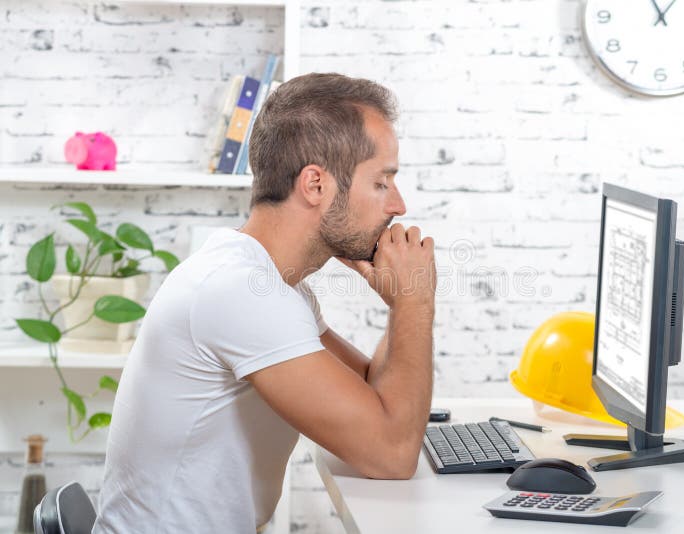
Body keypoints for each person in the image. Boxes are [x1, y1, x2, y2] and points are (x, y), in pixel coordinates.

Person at [93, 73, 436, 533]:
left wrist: (401, 304)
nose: (398, 204)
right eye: (382, 182)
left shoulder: (274, 285)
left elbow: (376, 396)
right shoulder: (238, 290)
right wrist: (415, 303)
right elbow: (392, 454)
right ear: (316, 185)